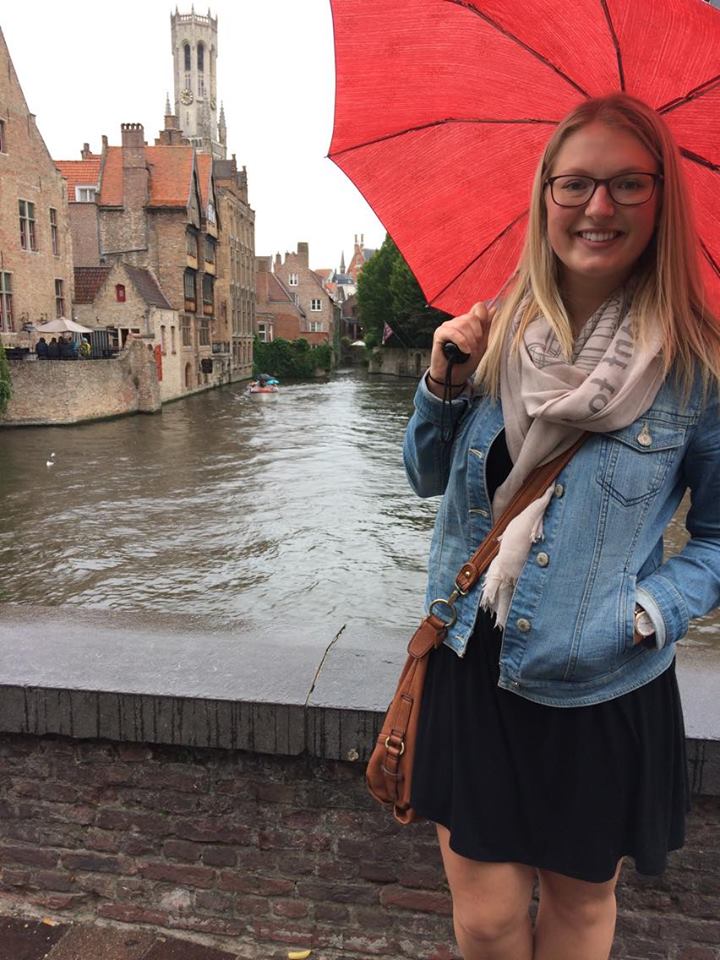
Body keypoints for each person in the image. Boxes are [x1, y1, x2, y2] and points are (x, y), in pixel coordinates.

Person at [403, 93, 720, 960]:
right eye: (575, 183)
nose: (598, 207)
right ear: (545, 195)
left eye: (628, 184)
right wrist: (442, 381)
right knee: (486, 920)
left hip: (602, 681)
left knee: (580, 909)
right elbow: (425, 479)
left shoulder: (697, 370)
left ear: (661, 200)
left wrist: (646, 614)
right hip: (473, 662)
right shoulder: (493, 336)